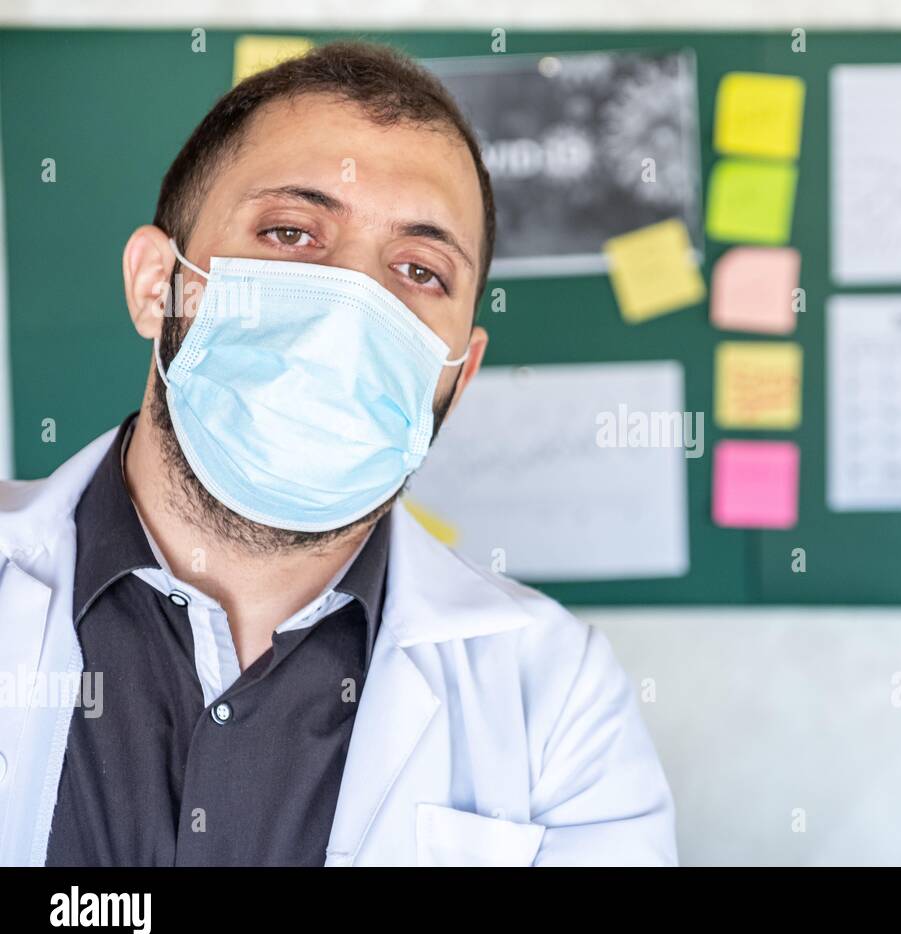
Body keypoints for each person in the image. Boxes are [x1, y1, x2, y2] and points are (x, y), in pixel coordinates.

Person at [0, 40, 676, 866]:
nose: (350, 308)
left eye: (420, 270)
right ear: (156, 285)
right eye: (291, 231)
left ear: (459, 378)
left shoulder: (557, 699)